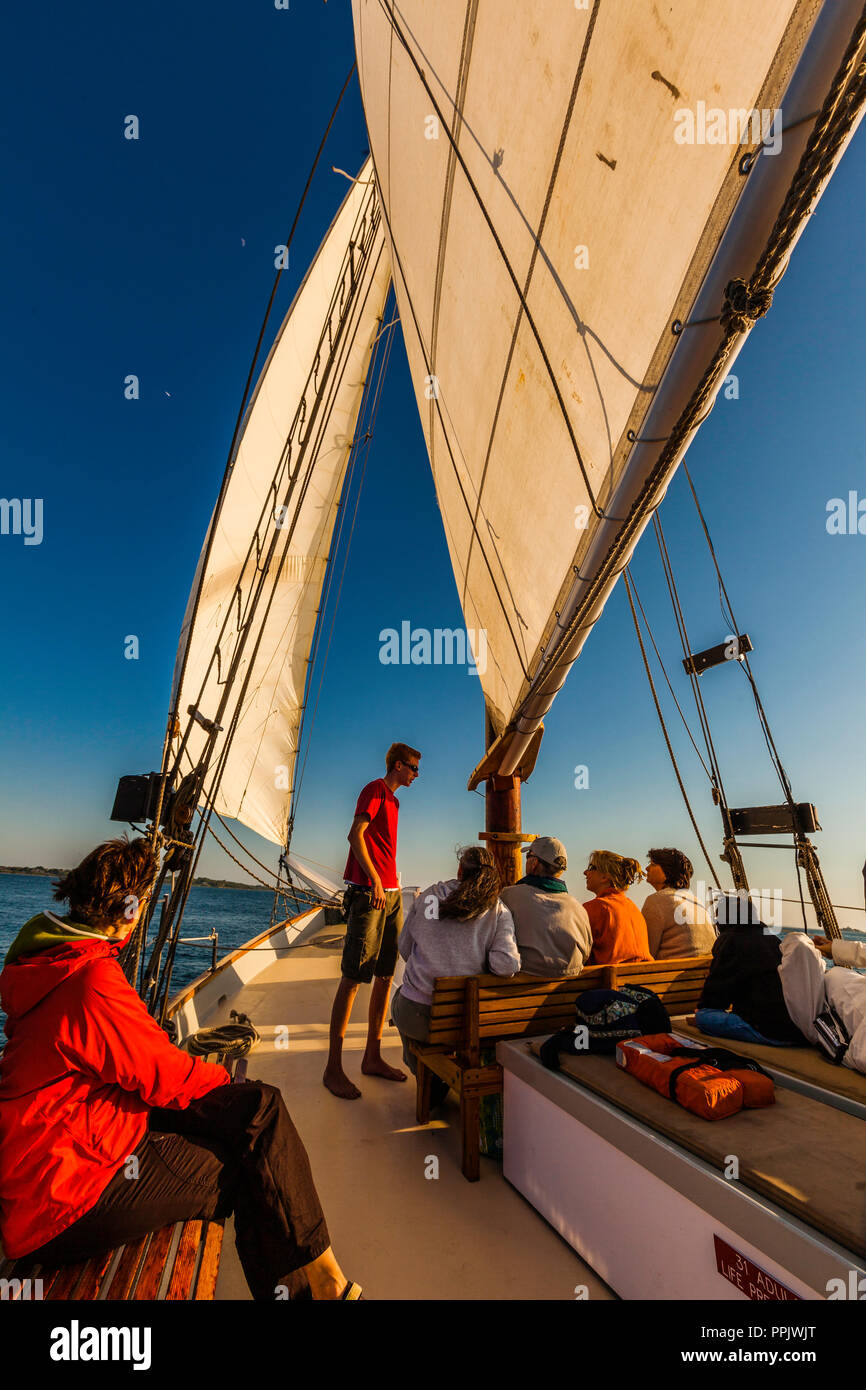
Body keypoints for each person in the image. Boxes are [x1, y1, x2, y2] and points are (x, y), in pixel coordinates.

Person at [0, 837, 360, 1300]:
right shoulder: (91, 979)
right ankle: (325, 1288)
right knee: (243, 1165)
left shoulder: (54, 959)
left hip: (61, 1155)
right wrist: (227, 1080)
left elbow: (134, 1062)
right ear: (131, 909)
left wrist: (232, 1091)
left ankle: (322, 1283)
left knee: (260, 1108)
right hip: (62, 1202)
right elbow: (164, 1076)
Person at [323, 741, 421, 1100]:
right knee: (353, 977)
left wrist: (389, 884)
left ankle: (372, 1057)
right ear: (397, 765)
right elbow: (355, 835)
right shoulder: (375, 790)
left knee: (383, 975)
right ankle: (333, 1068)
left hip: (392, 894)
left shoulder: (394, 801)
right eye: (413, 767)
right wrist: (376, 880)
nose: (416, 774)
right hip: (370, 894)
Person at [390, 845, 520, 1101]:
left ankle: (424, 1074)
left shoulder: (428, 898)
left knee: (401, 1002)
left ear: (460, 869)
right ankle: (435, 1076)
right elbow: (506, 966)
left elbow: (404, 949)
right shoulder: (496, 909)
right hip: (468, 1022)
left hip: (419, 1016)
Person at [694, 893, 804, 1047]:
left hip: (767, 1030)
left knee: (703, 1016)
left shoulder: (730, 941)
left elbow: (715, 997)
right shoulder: (774, 940)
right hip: (795, 1030)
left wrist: (702, 1007)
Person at [500, 836, 591, 977]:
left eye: (528, 856)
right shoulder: (578, 907)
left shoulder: (509, 896)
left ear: (534, 862)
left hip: (519, 990)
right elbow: (585, 953)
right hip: (567, 990)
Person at [777, 931, 866, 1072]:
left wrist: (838, 1050)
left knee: (798, 944)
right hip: (839, 989)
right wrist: (836, 949)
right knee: (798, 945)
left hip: (829, 1015)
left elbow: (857, 1055)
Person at [641, 847, 717, 959]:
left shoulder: (656, 901)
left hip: (672, 974)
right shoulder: (695, 901)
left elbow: (647, 952)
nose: (647, 868)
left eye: (653, 864)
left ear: (667, 871)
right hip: (705, 972)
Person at [582, 850, 653, 965]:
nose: (585, 872)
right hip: (644, 979)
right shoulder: (632, 907)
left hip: (610, 981)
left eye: (591, 867)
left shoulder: (594, 908)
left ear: (605, 877)